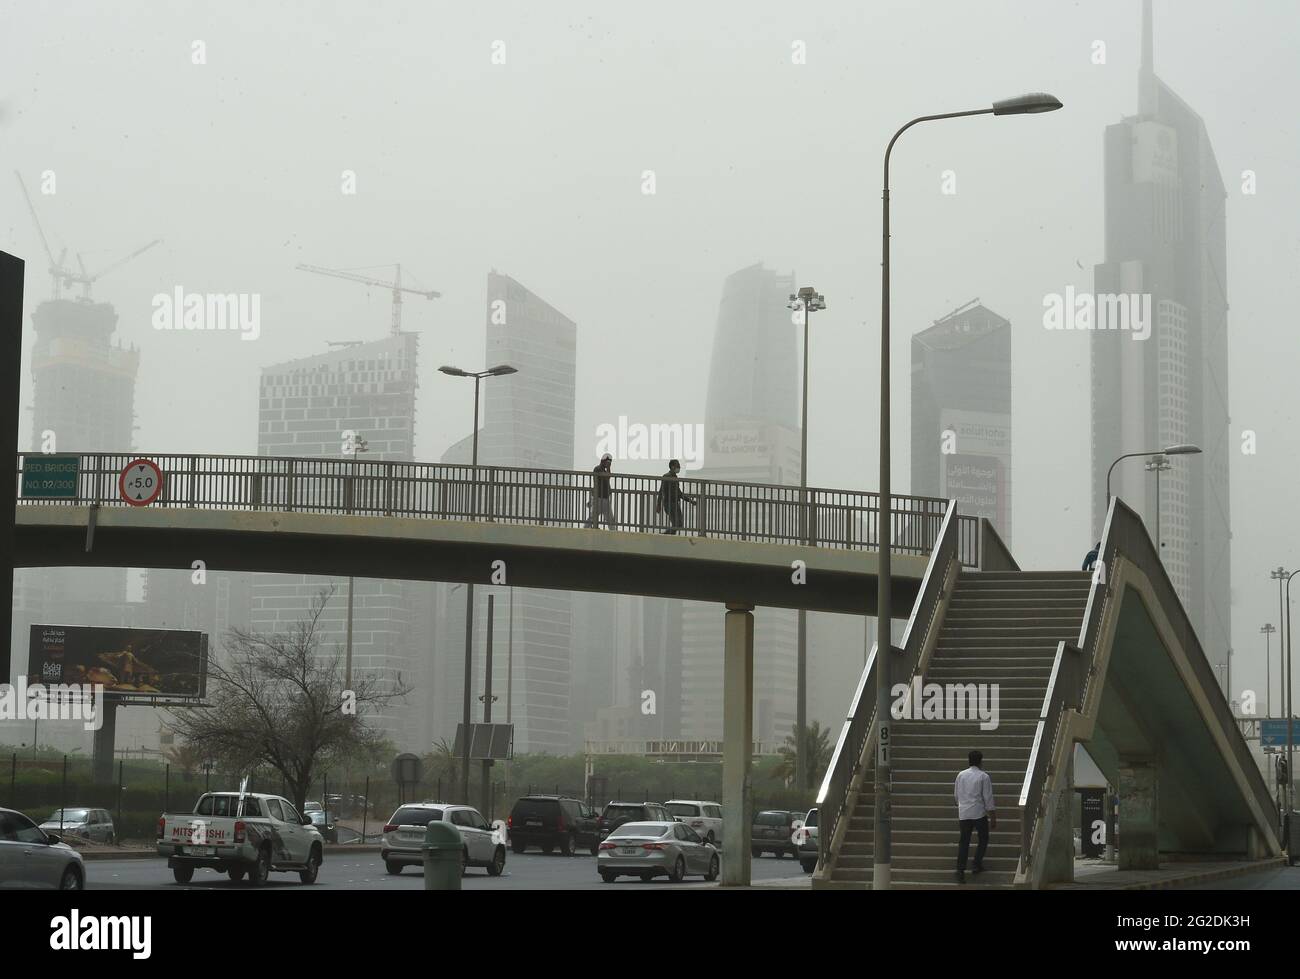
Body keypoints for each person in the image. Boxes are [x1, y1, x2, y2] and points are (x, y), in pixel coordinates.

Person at [954, 749, 996, 884]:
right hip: (978, 813)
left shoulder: (960, 775)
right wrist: (993, 816)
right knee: (983, 838)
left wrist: (961, 806)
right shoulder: (983, 776)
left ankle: (960, 871)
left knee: (964, 842)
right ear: (980, 761)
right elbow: (988, 798)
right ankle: (976, 863)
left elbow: (956, 795)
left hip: (964, 813)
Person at [656, 459, 696, 534]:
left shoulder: (675, 477)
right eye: (677, 466)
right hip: (669, 504)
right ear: (672, 466)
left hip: (675, 504)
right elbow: (661, 491)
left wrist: (690, 501)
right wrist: (658, 505)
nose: (679, 467)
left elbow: (679, 493)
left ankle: (667, 536)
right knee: (676, 524)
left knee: (679, 524)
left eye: (679, 466)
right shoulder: (666, 476)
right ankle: (664, 536)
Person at [585, 453, 617, 530]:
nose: (608, 464)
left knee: (610, 519)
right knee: (592, 517)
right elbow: (606, 477)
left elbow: (607, 477)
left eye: (609, 463)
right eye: (607, 462)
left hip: (605, 498)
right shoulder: (597, 469)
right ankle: (584, 530)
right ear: (603, 461)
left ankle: (614, 533)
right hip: (598, 498)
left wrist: (608, 468)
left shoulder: (604, 470)